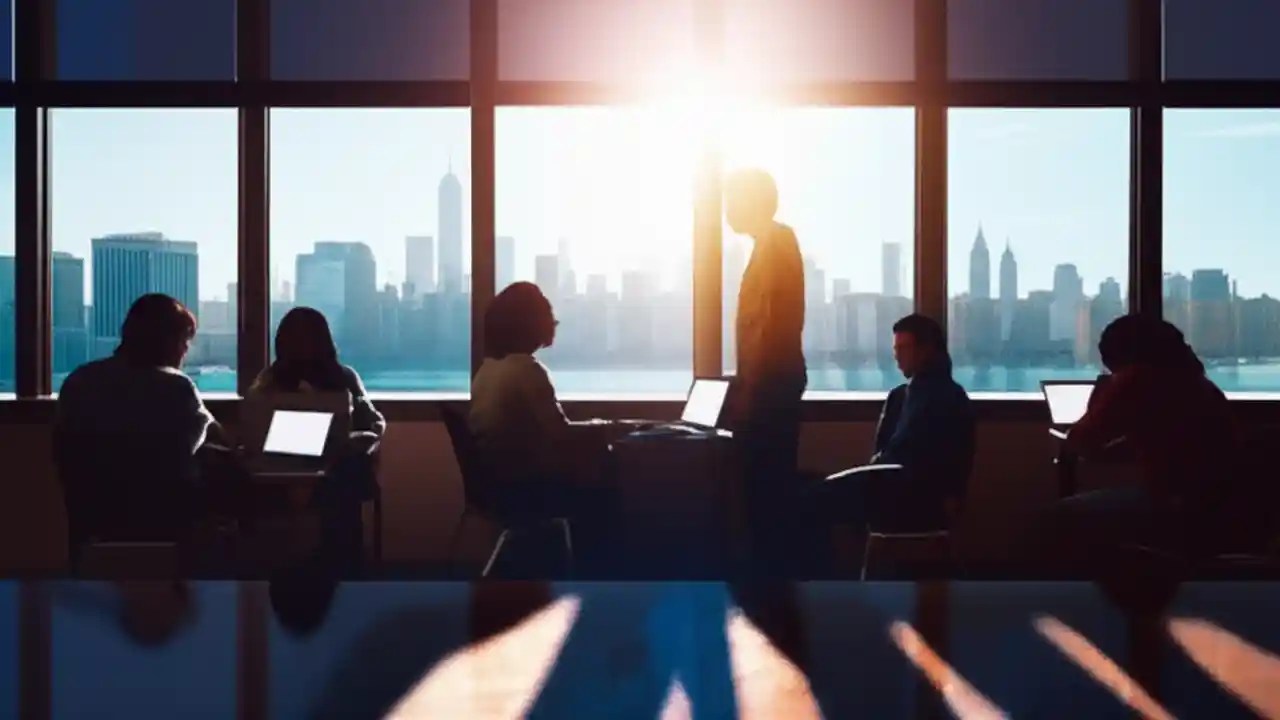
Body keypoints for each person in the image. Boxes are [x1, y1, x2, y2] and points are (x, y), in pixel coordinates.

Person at [1037, 313, 1239, 577]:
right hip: (1217, 502)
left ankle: (1076, 595)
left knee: (1054, 519)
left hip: (1175, 505)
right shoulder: (1197, 382)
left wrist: (1101, 398)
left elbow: (1082, 443)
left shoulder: (1136, 379)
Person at [54, 294, 239, 555]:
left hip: (92, 523)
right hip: (164, 524)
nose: (186, 350)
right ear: (169, 341)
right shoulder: (175, 386)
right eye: (184, 340)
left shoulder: (78, 381)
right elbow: (216, 442)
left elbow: (64, 454)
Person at [803, 314, 974, 575]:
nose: (897, 357)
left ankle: (818, 593)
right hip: (888, 483)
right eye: (896, 349)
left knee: (809, 500)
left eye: (904, 348)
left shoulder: (948, 398)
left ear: (927, 350)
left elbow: (954, 460)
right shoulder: (900, 397)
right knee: (810, 488)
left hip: (912, 491)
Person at [469, 282, 617, 569]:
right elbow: (560, 434)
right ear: (531, 324)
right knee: (615, 475)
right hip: (529, 486)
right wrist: (608, 429)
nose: (553, 326)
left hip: (498, 484)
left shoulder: (487, 371)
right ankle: (603, 574)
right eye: (550, 319)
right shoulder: (527, 369)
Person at [248, 307, 386, 574]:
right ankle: (342, 566)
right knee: (346, 475)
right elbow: (375, 423)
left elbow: (374, 424)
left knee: (342, 473)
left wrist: (360, 438)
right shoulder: (340, 378)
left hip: (292, 475)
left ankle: (297, 565)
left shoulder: (267, 383)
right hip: (293, 473)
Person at [723, 168, 807, 576]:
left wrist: (749, 395)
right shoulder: (766, 244)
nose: (725, 209)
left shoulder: (778, 241)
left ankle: (772, 593)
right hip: (762, 392)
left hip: (768, 394)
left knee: (767, 495)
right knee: (760, 496)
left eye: (730, 199)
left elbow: (772, 325)